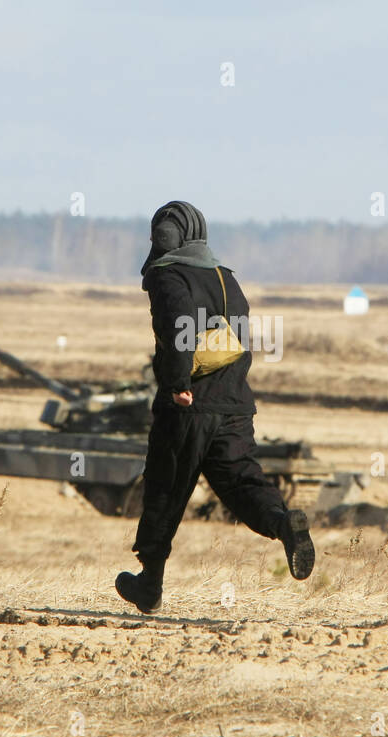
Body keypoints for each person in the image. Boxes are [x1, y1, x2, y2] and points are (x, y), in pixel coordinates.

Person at [115, 200, 314, 614]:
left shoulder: (168, 276)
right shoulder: (226, 277)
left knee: (165, 488)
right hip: (234, 404)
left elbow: (177, 327)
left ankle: (149, 584)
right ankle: (283, 523)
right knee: (241, 481)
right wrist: (232, 389)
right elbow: (241, 339)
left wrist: (178, 384)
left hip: (188, 406)